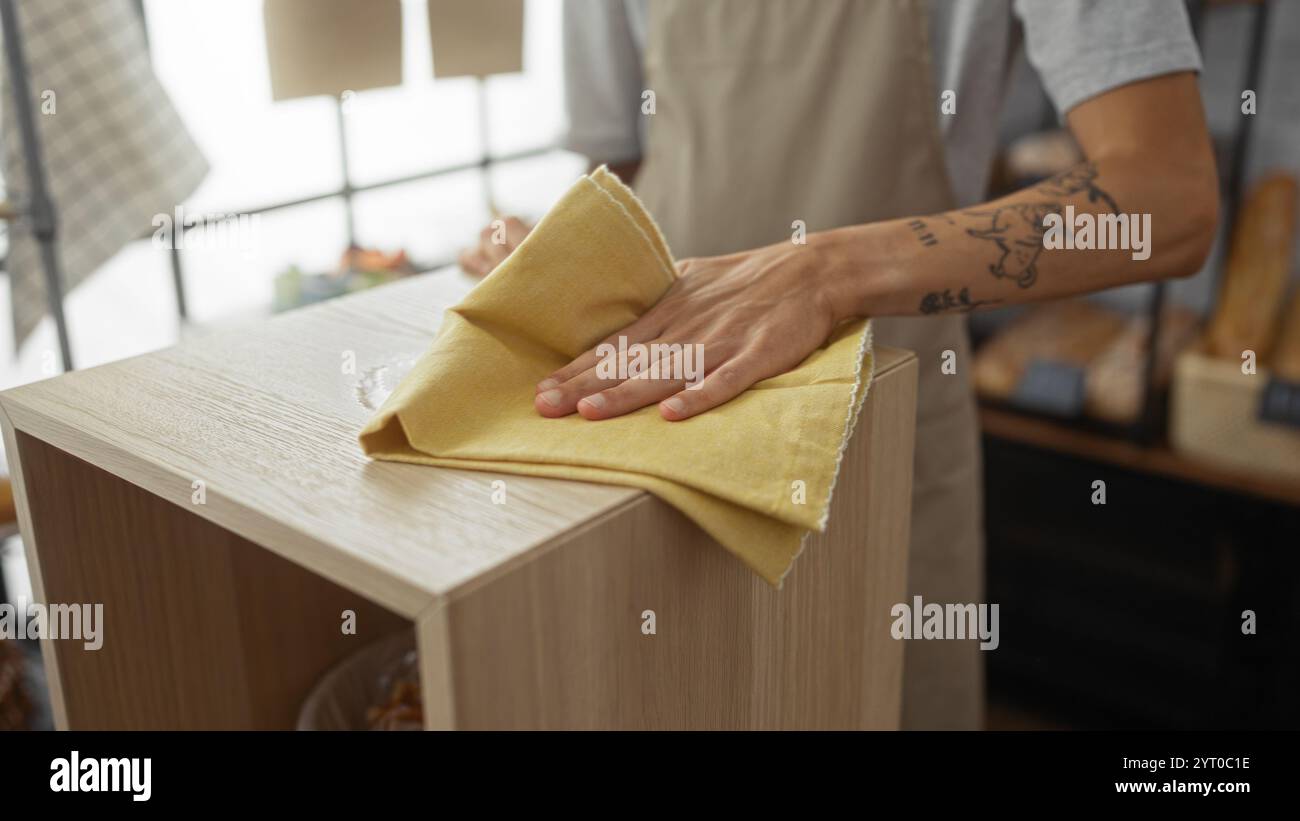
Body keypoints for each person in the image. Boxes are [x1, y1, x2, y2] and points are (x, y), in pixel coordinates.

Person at [459, 0, 1219, 730]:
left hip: (882, 434)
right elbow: (622, 161)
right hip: (667, 422)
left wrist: (822, 272)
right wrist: (563, 247)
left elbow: (1165, 200)